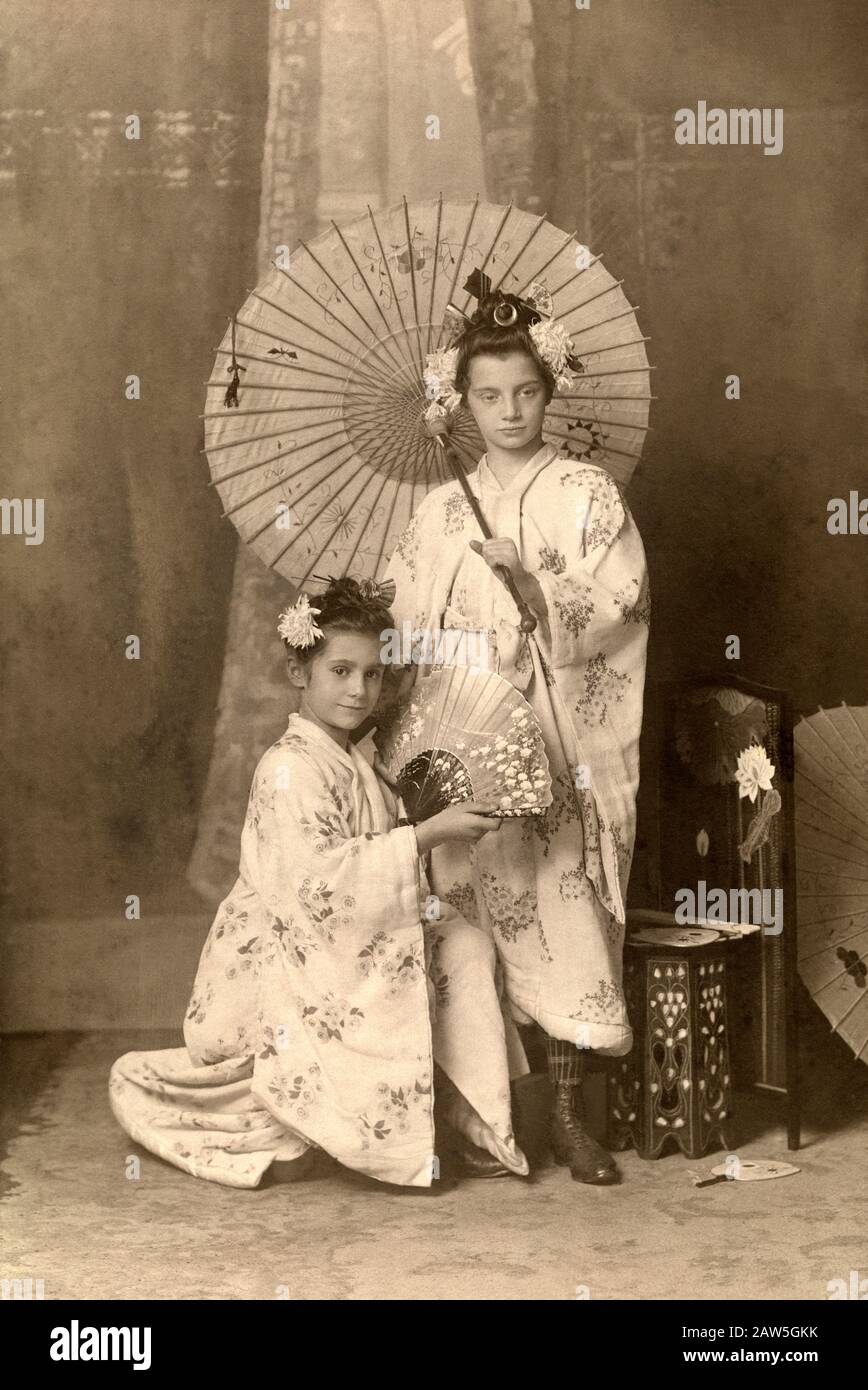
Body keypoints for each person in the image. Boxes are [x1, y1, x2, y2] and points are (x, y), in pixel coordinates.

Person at [109, 578, 530, 1189]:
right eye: (340, 670)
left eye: (372, 674)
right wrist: (425, 835)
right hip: (283, 953)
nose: (358, 690)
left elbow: (371, 868)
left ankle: (468, 1121)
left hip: (345, 934)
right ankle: (356, 1124)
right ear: (299, 671)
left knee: (464, 944)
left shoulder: (357, 760)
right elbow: (319, 887)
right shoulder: (288, 769)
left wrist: (430, 822)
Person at [384, 278, 650, 1185]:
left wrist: (537, 593)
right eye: (488, 394)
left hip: (552, 733)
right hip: (465, 747)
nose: (508, 411)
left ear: (551, 389)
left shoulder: (585, 494)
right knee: (460, 915)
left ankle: (573, 1115)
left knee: (563, 908)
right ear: (459, 400)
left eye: (526, 391)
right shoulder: (437, 511)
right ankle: (489, 1114)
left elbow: (622, 601)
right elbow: (405, 631)